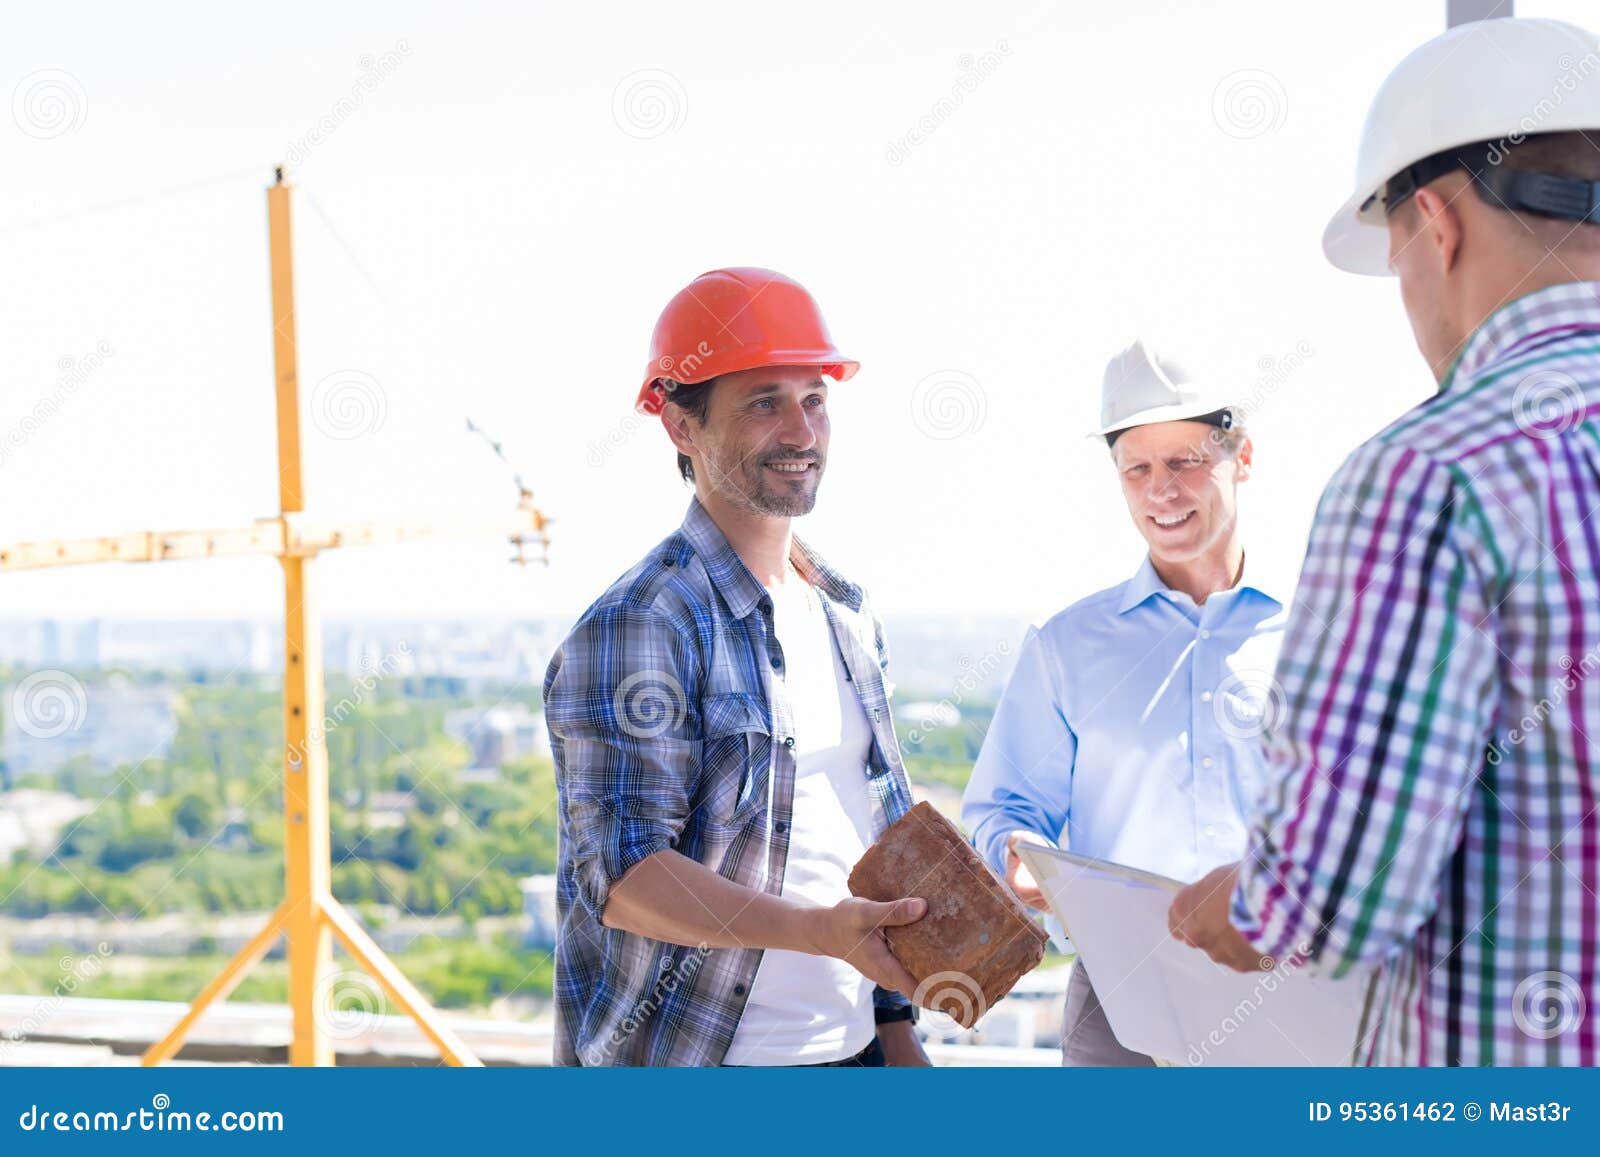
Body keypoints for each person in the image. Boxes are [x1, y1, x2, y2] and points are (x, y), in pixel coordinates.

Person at [1170, 17, 1600, 1066]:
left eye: (1398, 257)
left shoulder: (1434, 472)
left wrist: (1229, 906)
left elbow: (1331, 897)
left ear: (1436, 223)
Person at [544, 267, 930, 1066]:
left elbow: (873, 827)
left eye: (814, 399)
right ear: (682, 427)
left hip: (854, 1055)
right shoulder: (642, 625)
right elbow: (626, 879)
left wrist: (894, 1031)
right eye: (764, 402)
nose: (801, 430)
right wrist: (817, 931)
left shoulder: (846, 612)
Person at [962, 339, 1286, 1064]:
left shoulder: (1325, 633)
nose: (1160, 491)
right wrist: (1017, 853)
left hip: (1289, 993)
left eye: (1184, 461)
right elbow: (1003, 808)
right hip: (1119, 1008)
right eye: (1137, 468)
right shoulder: (1067, 645)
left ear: (1244, 456)